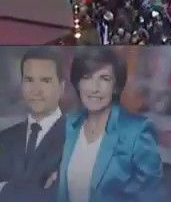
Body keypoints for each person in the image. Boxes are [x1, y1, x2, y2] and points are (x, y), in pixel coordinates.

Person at [50, 49, 163, 202]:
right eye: (87, 77)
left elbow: (151, 195)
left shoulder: (137, 131)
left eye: (104, 79)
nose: (94, 88)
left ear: (115, 86)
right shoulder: (67, 125)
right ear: (78, 83)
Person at [0, 48, 66, 202]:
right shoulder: (4, 138)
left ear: (61, 88)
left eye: (45, 81)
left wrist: (3, 188)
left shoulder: (78, 139)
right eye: (29, 80)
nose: (36, 90)